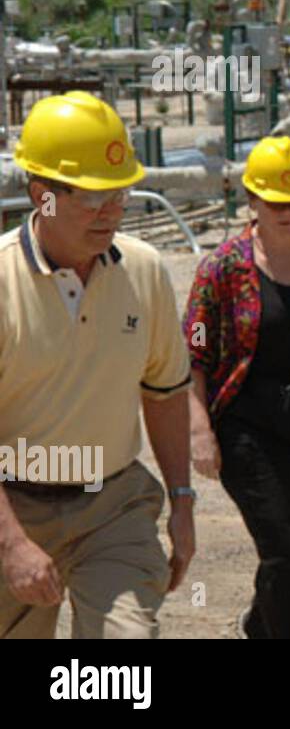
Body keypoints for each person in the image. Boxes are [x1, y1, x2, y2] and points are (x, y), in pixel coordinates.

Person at [0, 91, 194, 638]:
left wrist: (182, 499)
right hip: (14, 506)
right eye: (93, 197)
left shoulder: (145, 272)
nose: (112, 211)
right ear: (44, 197)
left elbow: (165, 392)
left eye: (121, 194)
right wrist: (12, 544)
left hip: (112, 508)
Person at [185, 135, 290, 638]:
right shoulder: (222, 267)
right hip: (247, 425)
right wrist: (199, 429)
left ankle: (260, 626)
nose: (286, 211)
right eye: (273, 201)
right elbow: (193, 354)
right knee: (285, 547)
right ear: (252, 200)